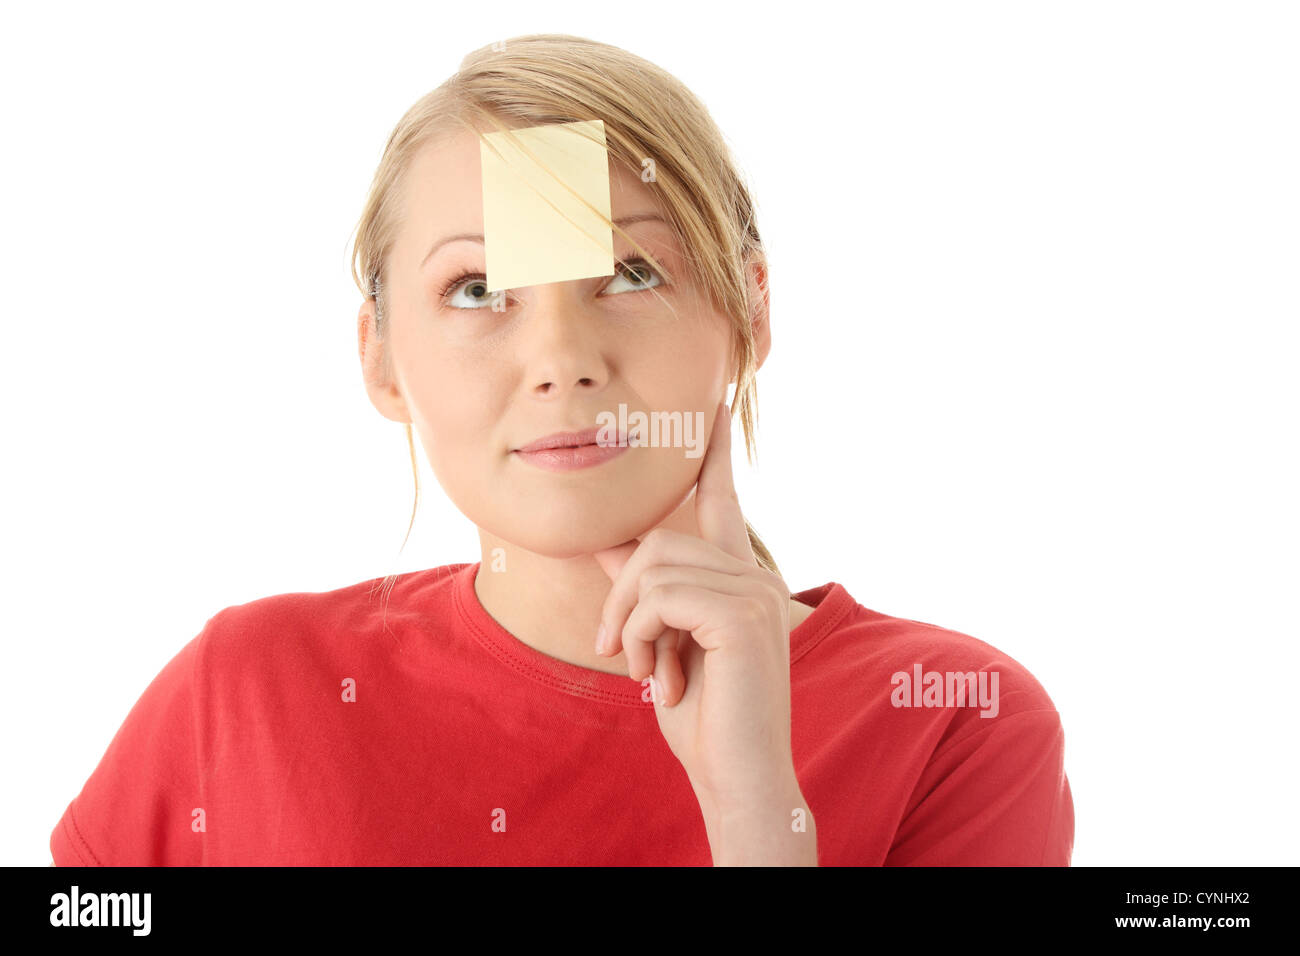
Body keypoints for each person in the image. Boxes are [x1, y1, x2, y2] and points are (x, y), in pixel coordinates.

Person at [50, 34, 1073, 866]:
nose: (561, 361)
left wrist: (755, 814)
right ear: (382, 359)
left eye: (629, 272)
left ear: (749, 309)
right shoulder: (243, 690)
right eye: (476, 290)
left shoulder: (952, 720)